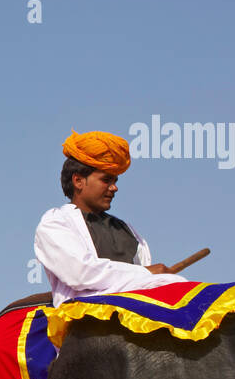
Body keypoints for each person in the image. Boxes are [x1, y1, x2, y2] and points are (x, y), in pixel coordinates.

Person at [33, 130, 182, 307]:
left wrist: (159, 279)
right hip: (84, 321)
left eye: (115, 181)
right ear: (78, 181)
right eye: (106, 180)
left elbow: (142, 284)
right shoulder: (56, 223)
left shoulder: (126, 229)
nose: (114, 188)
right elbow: (81, 273)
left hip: (135, 314)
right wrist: (145, 273)